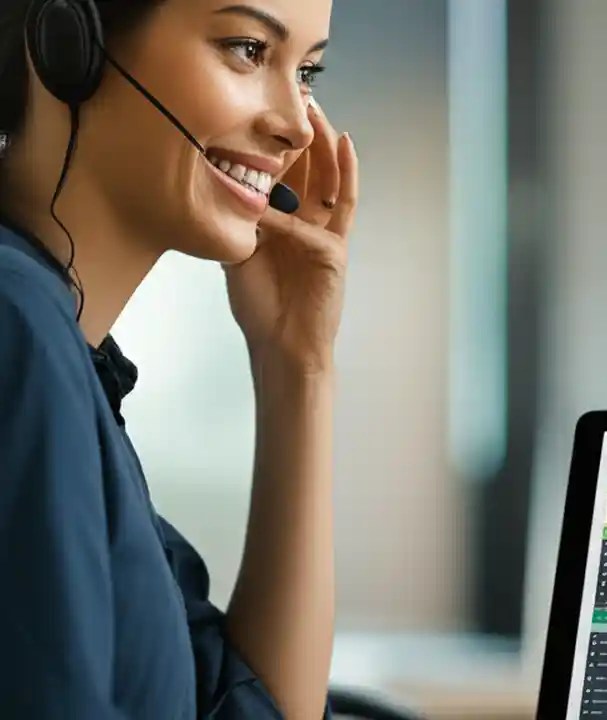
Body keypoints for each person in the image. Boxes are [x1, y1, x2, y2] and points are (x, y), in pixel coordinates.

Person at [0, 0, 358, 717]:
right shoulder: (19, 329)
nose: (294, 124)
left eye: (309, 71)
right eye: (248, 50)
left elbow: (254, 709)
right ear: (70, 44)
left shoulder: (68, 358)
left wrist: (297, 364)